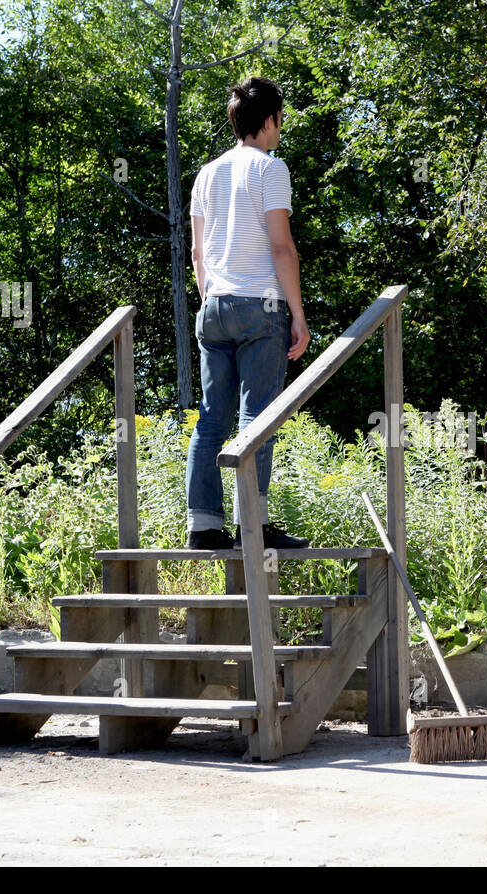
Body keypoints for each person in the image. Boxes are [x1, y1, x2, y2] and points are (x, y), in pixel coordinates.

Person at [184, 76, 311, 550]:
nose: (280, 129)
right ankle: (251, 526)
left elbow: (198, 255)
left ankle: (204, 526)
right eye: (280, 120)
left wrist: (211, 303)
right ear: (271, 119)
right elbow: (281, 247)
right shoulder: (270, 169)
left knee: (211, 419)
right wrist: (297, 314)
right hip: (261, 307)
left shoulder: (206, 174)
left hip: (214, 306)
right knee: (257, 417)